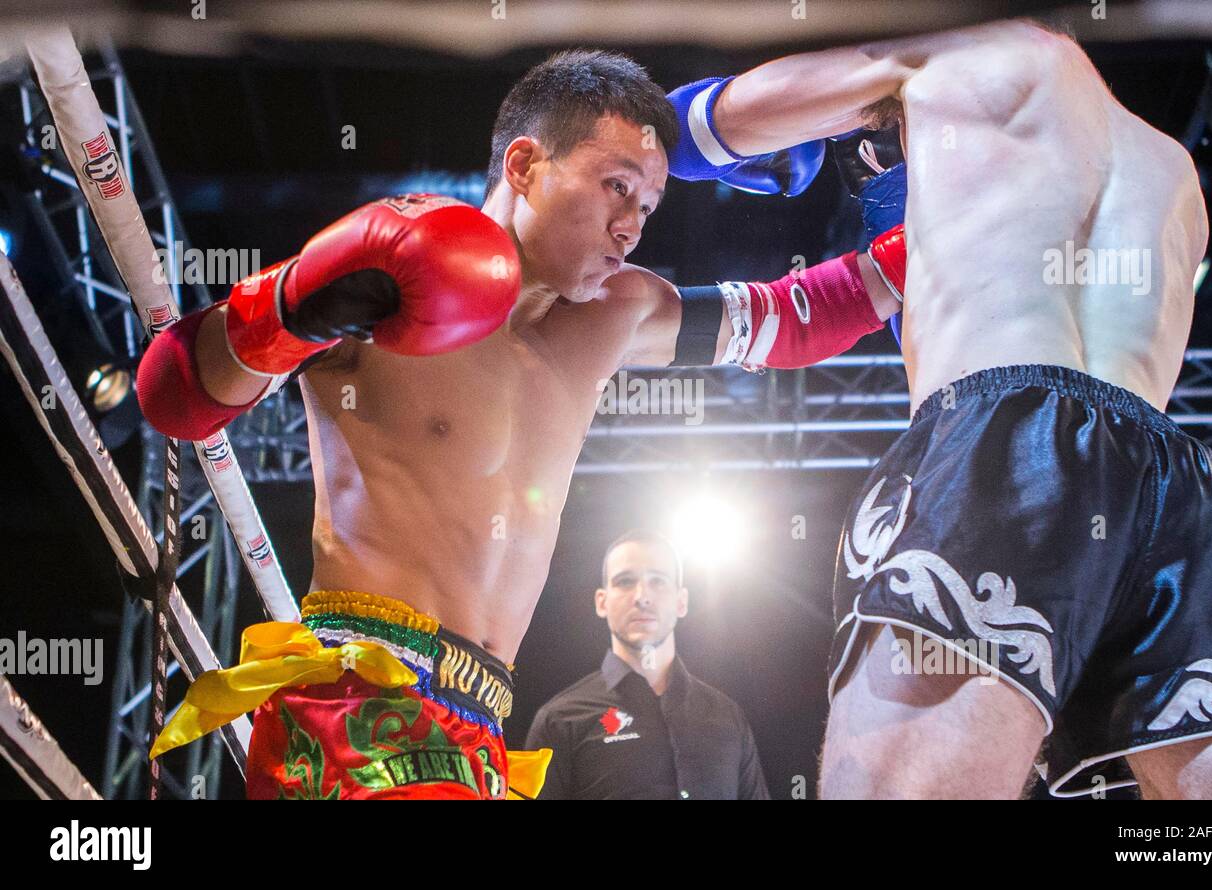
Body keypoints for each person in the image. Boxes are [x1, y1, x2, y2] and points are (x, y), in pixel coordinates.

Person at [138, 50, 905, 798]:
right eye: (615, 187)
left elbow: (802, 315)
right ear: (525, 166)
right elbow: (175, 393)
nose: (631, 225)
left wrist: (918, 216)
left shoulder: (616, 314)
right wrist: (296, 308)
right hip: (360, 700)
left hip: (483, 728)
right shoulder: (395, 270)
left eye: (646, 206)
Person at [666, 19, 1212, 799]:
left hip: (1012, 441)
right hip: (1175, 482)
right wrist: (637, 329)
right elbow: (805, 312)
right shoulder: (1171, 170)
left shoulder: (953, 54)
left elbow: (686, 129)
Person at [526, 530, 770, 799]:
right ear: (602, 602)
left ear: (681, 602)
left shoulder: (728, 717)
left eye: (658, 581)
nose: (642, 596)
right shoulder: (559, 720)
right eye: (625, 581)